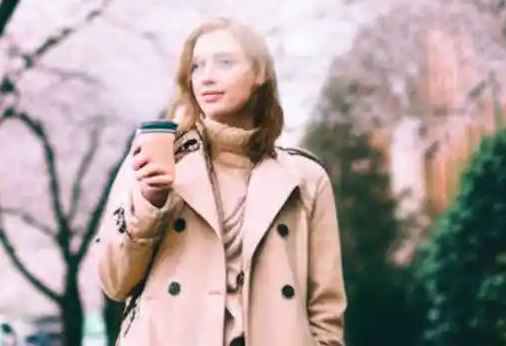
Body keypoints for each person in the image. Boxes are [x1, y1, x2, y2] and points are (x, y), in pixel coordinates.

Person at [97, 17, 346, 346]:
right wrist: (150, 200)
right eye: (197, 66)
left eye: (225, 62)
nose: (207, 77)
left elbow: (325, 310)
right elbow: (114, 281)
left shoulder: (304, 178)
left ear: (260, 73)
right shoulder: (154, 158)